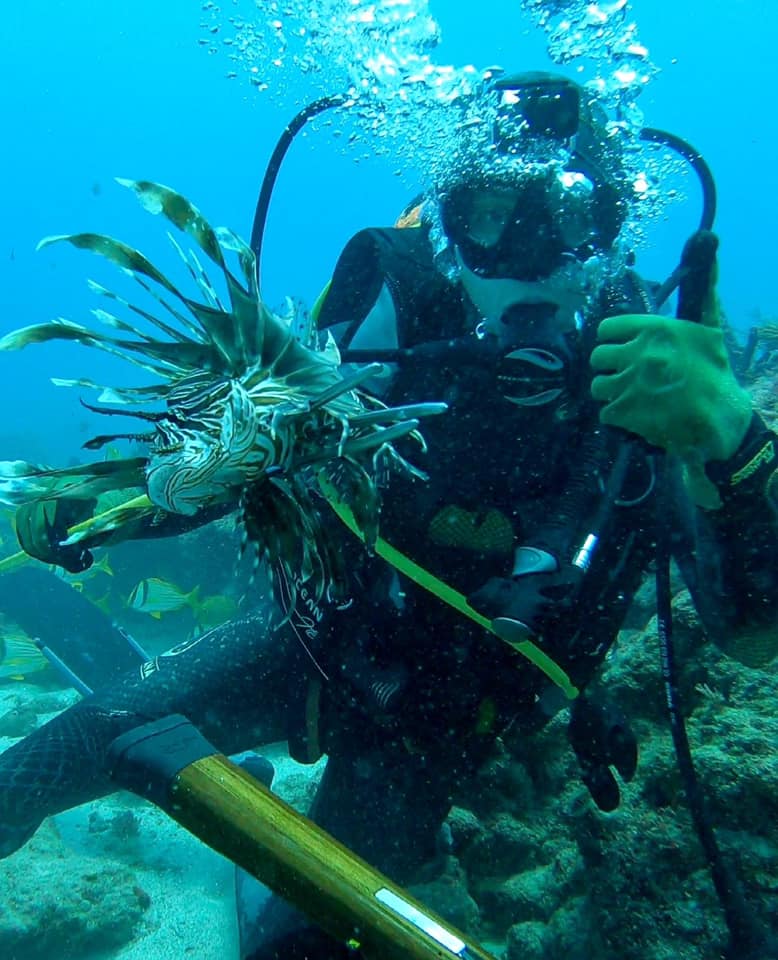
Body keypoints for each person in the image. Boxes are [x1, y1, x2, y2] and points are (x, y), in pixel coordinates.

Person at [1, 70, 777, 960]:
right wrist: (107, 503)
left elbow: (755, 635)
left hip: (451, 714)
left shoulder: (646, 365)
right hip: (315, 632)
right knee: (37, 765)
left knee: (311, 941)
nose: (530, 254)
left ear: (610, 227)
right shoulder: (389, 307)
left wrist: (732, 436)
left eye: (569, 222)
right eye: (489, 213)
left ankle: (277, 870)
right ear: (446, 217)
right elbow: (252, 451)